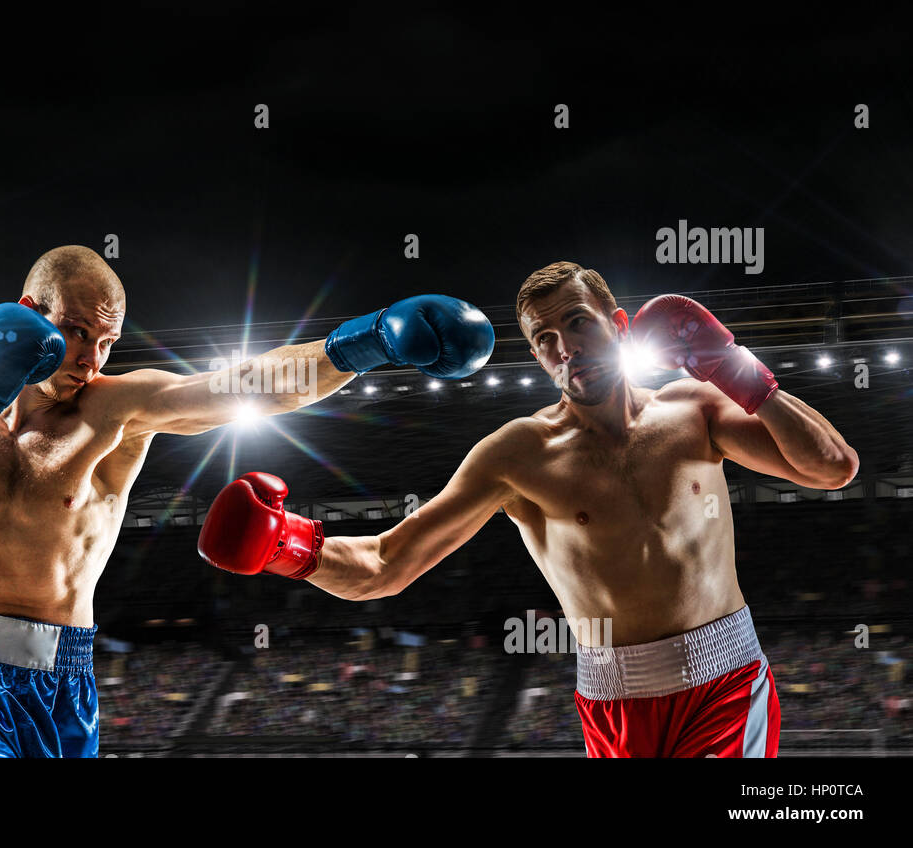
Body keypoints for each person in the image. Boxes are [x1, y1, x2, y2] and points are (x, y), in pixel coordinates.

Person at [197, 260, 859, 758]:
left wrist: (736, 369)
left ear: (618, 324)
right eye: (544, 338)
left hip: (723, 680)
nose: (566, 348)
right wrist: (287, 545)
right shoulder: (517, 454)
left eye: (577, 323)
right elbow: (386, 563)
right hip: (610, 700)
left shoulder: (697, 408)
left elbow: (831, 467)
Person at [0, 244, 495, 757]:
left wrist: (368, 343)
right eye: (75, 332)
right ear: (29, 315)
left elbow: (251, 387)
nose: (91, 359)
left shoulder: (117, 408)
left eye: (107, 341)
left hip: (62, 672)